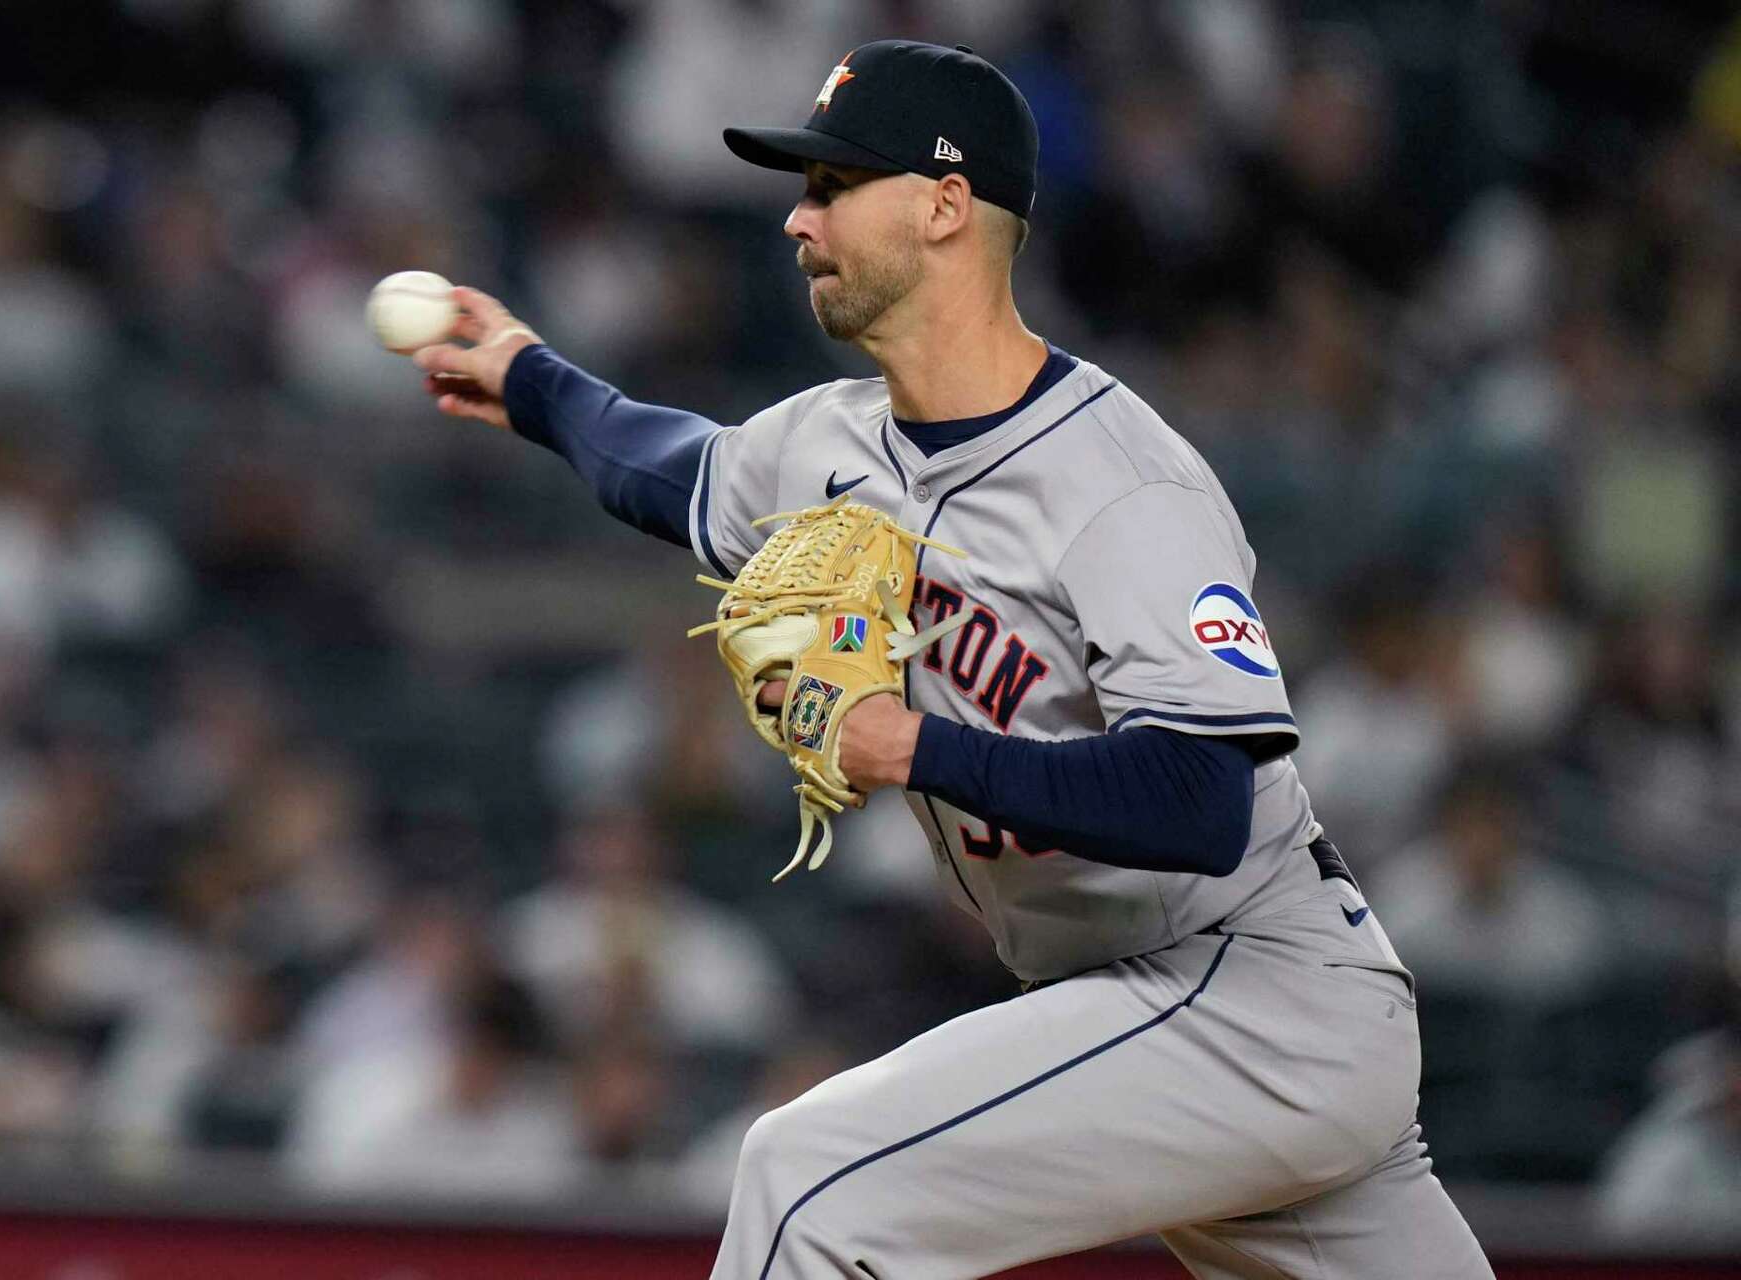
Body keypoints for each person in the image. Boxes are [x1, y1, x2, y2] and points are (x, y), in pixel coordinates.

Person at [411, 38, 1490, 1280]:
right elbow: (673, 469)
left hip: (1251, 991)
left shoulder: (1121, 482)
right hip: (1153, 1004)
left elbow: (1203, 797)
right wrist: (529, 377)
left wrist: (910, 741)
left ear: (942, 206)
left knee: (806, 1182)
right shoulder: (832, 442)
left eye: (830, 186)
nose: (795, 219)